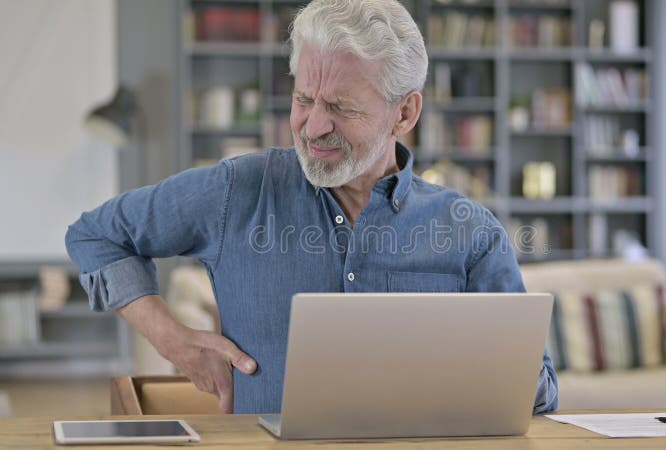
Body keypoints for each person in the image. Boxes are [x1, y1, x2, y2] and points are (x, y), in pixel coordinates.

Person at [65, 0, 557, 415]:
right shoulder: (239, 190)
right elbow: (95, 235)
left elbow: (540, 395)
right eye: (304, 99)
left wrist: (469, 358)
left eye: (342, 107)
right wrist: (171, 338)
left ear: (404, 113)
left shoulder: (469, 232)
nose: (313, 126)